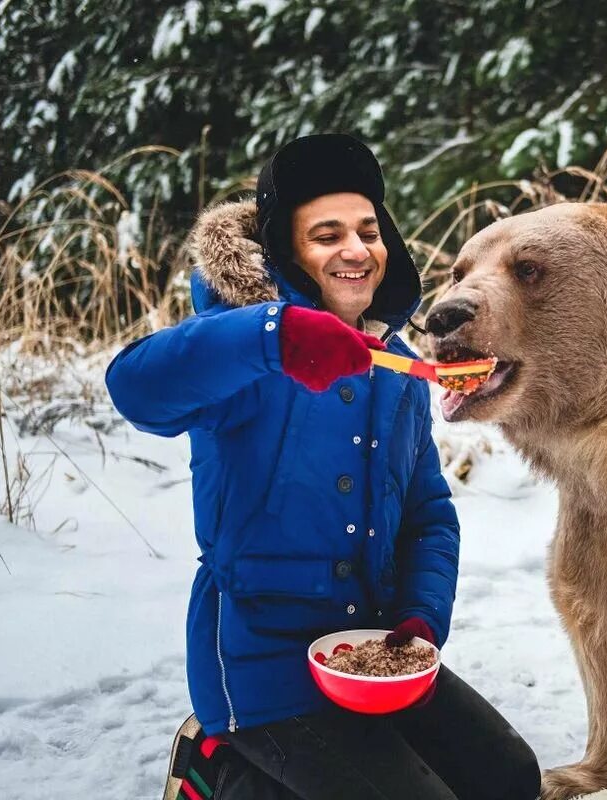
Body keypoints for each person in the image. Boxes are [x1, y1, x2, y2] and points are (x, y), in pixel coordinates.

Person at [105, 133, 540, 800]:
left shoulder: (395, 367)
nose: (356, 249)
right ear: (289, 251)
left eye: (368, 229)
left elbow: (427, 513)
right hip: (261, 669)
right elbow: (135, 388)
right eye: (326, 234)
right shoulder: (246, 342)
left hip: (373, 656)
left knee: (510, 778)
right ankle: (219, 769)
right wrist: (271, 338)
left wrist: (420, 618)